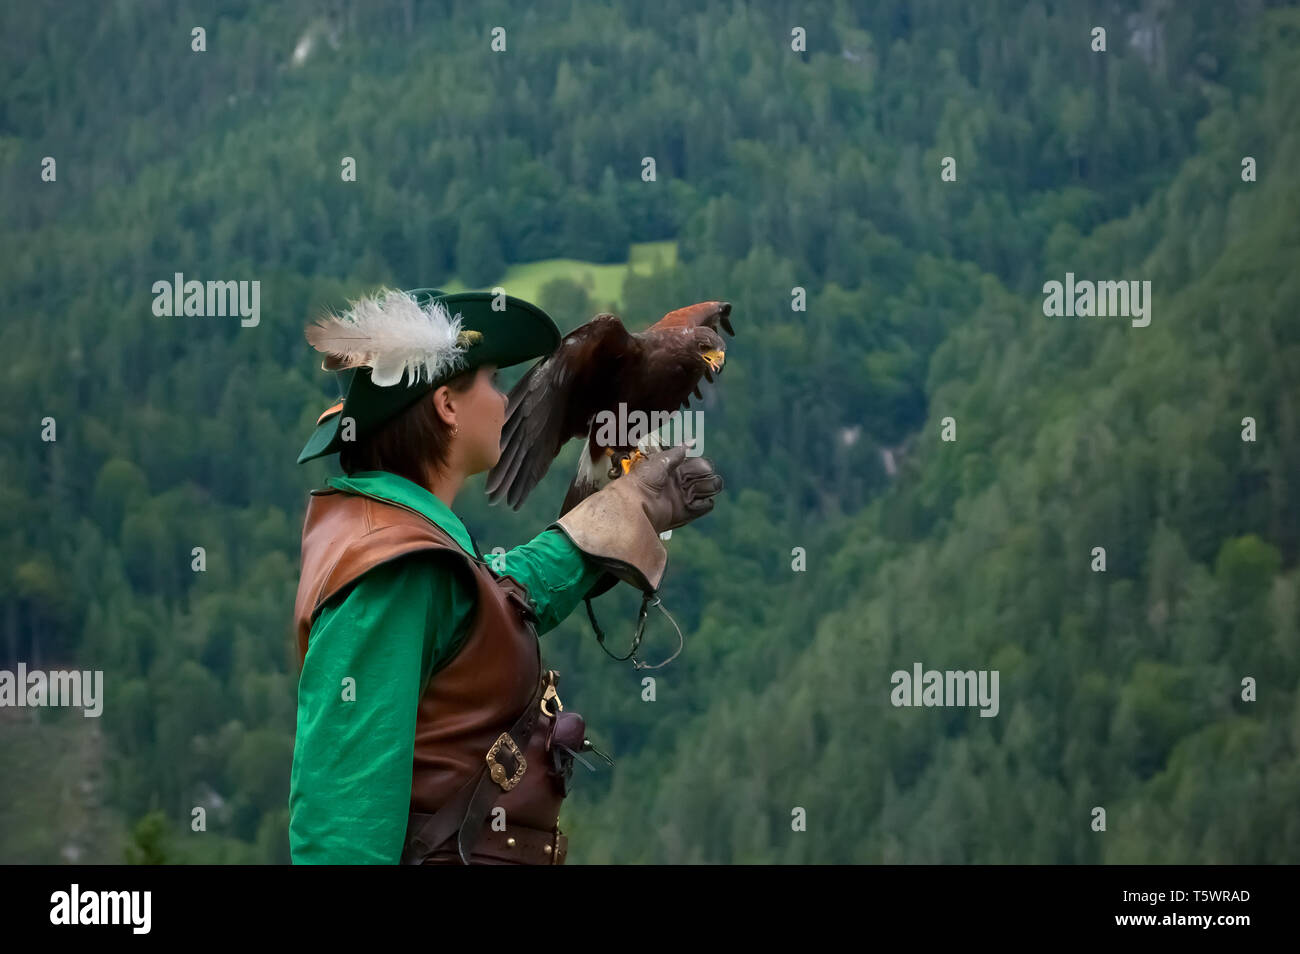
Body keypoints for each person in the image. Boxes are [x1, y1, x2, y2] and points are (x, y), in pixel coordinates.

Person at [288, 287, 724, 864]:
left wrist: (623, 514)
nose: (504, 401)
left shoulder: (413, 545)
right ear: (446, 405)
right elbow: (342, 832)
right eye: (493, 382)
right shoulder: (393, 575)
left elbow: (497, 598)